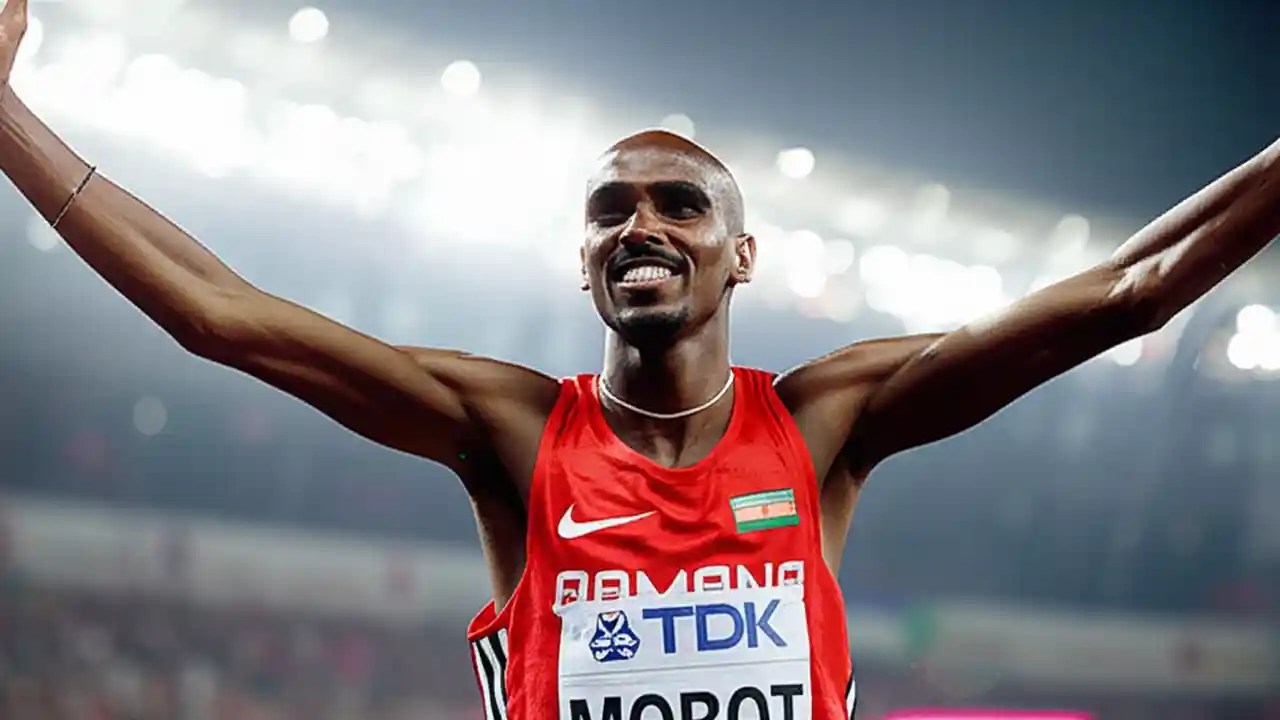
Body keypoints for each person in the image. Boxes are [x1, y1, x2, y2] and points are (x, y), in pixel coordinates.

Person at [1, 2, 1277, 717]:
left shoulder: (828, 419)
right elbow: (218, 313)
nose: (642, 225)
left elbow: (1129, 293)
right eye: (611, 211)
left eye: (677, 205)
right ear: (583, 264)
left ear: (741, 256)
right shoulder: (506, 429)